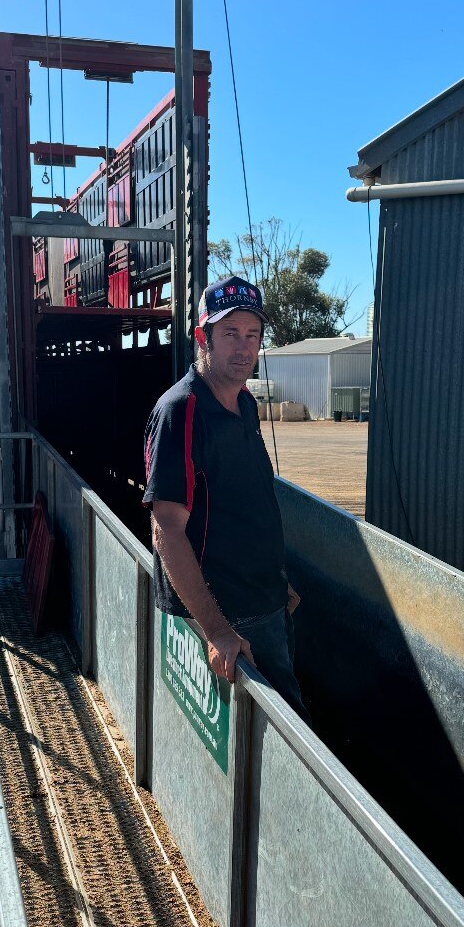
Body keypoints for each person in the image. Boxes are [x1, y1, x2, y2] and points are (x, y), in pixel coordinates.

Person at [142, 275, 308, 719]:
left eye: (252, 334)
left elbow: (244, 501)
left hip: (266, 599)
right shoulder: (181, 411)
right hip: (234, 617)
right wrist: (216, 631)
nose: (243, 347)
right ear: (203, 337)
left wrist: (276, 579)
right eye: (230, 333)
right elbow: (167, 531)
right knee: (294, 748)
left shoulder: (245, 403)